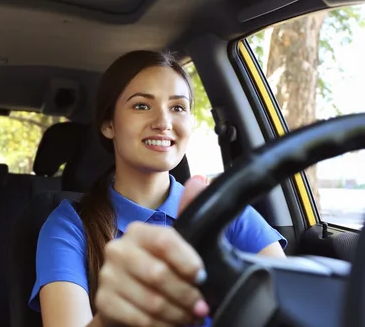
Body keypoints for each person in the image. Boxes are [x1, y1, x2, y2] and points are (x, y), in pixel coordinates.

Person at [29, 50, 287, 327]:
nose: (163, 122)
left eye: (178, 107)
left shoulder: (224, 211)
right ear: (108, 125)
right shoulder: (68, 227)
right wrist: (115, 317)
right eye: (141, 106)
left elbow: (290, 304)